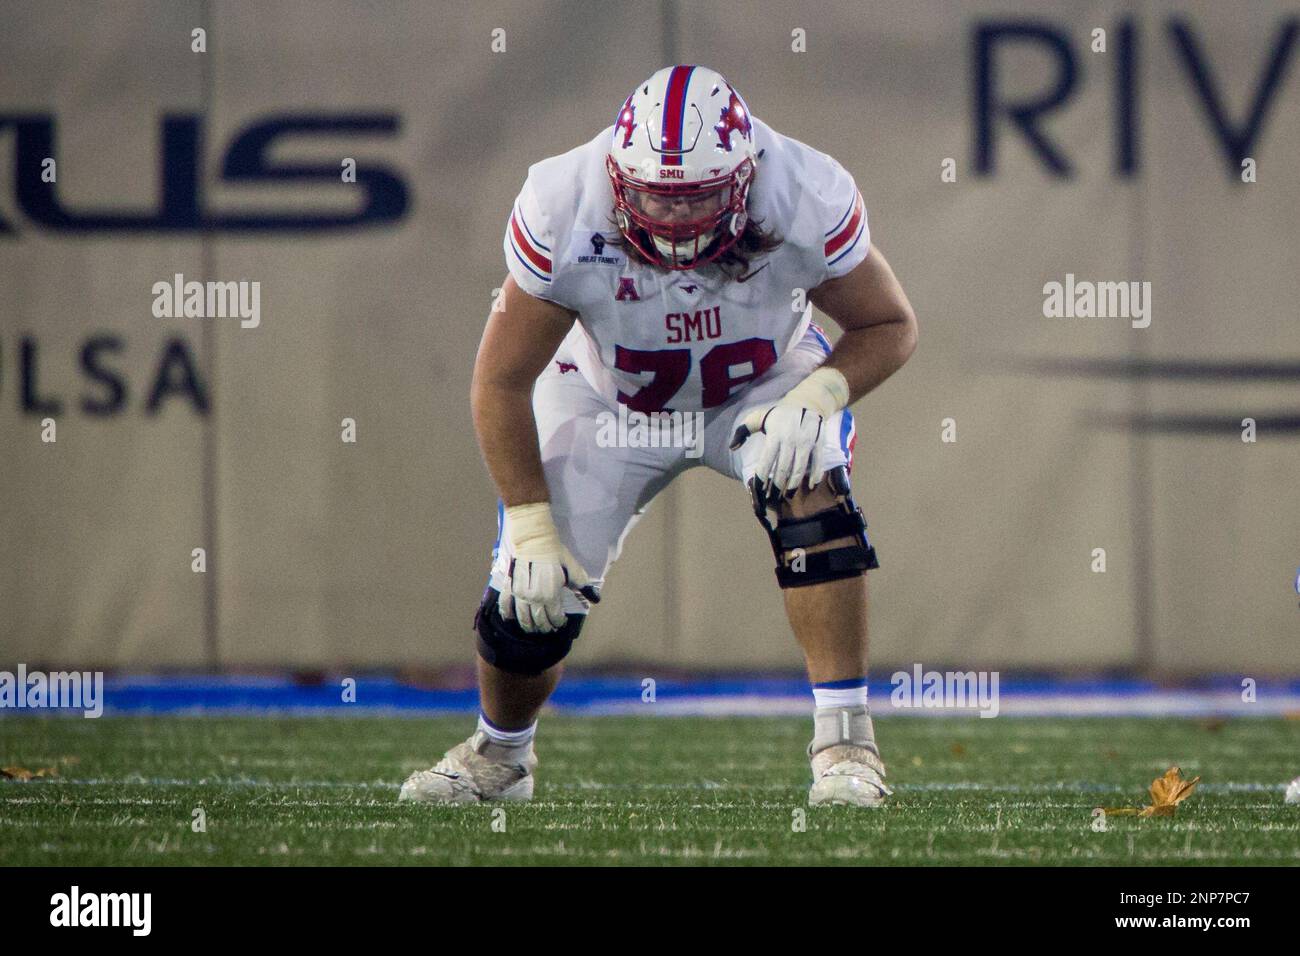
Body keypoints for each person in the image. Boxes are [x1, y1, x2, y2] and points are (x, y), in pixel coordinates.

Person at [401, 65, 917, 807]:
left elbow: (890, 323)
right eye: (652, 197)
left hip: (761, 388)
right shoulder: (562, 202)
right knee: (528, 597)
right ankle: (499, 756)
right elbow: (501, 380)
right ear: (616, 175)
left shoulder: (804, 190)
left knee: (813, 495)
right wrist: (529, 520)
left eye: (700, 197)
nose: (675, 220)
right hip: (608, 399)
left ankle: (845, 745)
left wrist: (823, 392)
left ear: (745, 177)